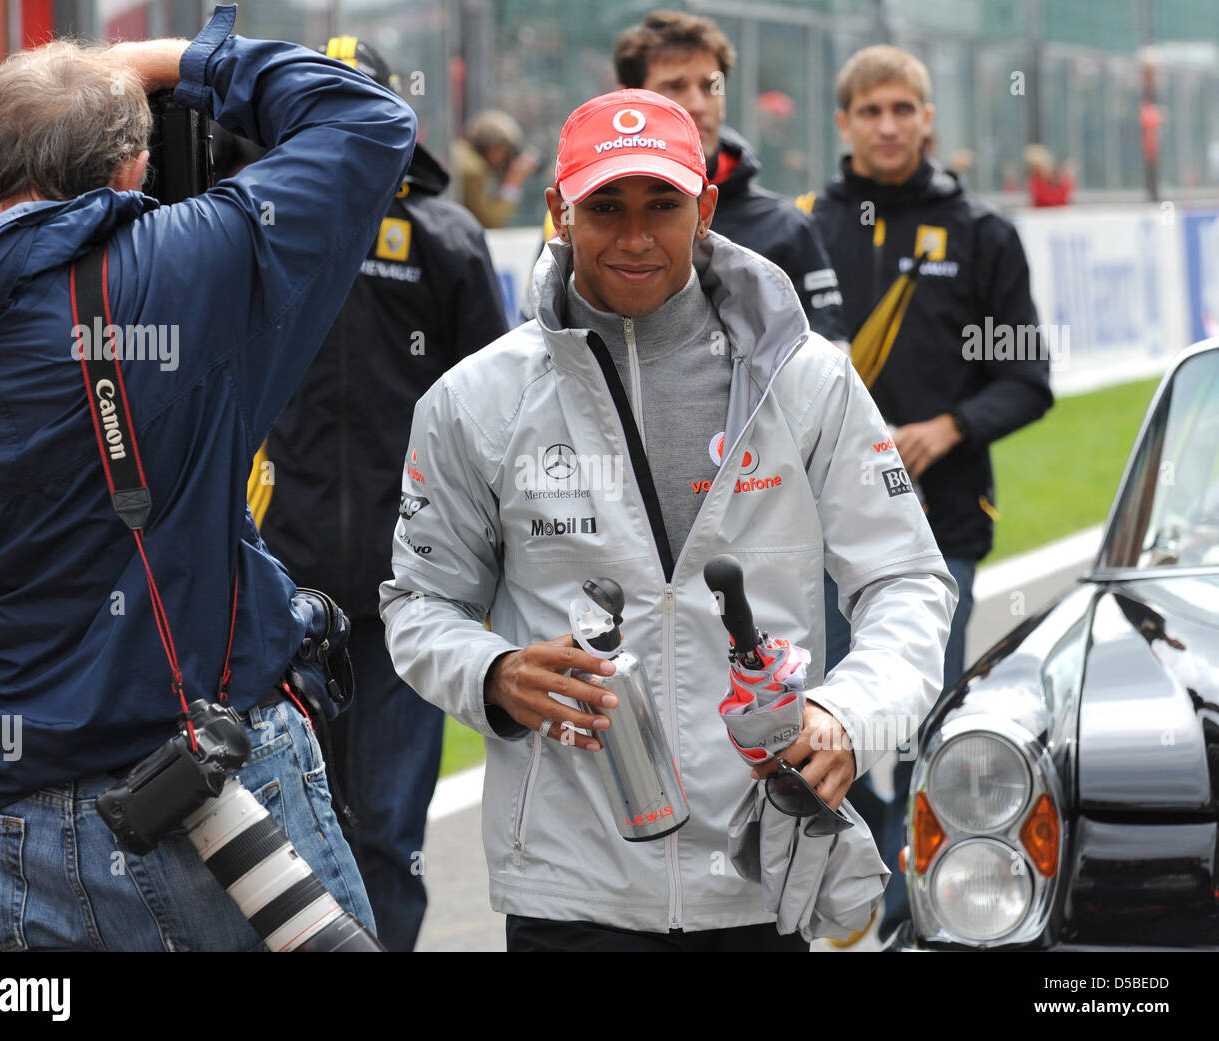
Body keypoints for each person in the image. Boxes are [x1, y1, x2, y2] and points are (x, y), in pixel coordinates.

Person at [380, 87, 956, 951]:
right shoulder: (475, 399)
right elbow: (419, 603)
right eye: (605, 205)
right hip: (572, 889)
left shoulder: (804, 378)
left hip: (763, 869)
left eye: (663, 204)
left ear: (707, 205)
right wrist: (494, 672)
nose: (637, 235)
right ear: (558, 211)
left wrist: (848, 712)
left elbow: (905, 579)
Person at [0, 6, 416, 950]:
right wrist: (180, 59)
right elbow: (368, 120)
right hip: (211, 797)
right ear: (135, 168)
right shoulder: (185, 263)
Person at [250, 38, 508, 952]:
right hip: (279, 592)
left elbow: (500, 409)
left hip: (413, 597)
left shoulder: (443, 236)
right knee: (280, 829)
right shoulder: (256, 226)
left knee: (386, 830)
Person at [801, 44, 1053, 938]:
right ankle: (867, 854)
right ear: (844, 124)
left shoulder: (982, 233)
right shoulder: (805, 230)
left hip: (939, 531)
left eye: (903, 108)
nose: (888, 125)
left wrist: (947, 430)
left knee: (923, 727)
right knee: (827, 727)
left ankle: (920, 912)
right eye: (870, 110)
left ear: (928, 117)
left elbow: (1028, 379)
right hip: (813, 540)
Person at [613, 10, 848, 345]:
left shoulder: (786, 227)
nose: (697, 104)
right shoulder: (583, 218)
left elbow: (826, 376)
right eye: (675, 86)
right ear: (626, 101)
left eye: (710, 87)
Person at [453, 110, 540, 229]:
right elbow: (490, 222)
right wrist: (513, 182)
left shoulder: (466, 155)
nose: (506, 160)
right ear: (496, 148)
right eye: (506, 152)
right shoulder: (473, 171)